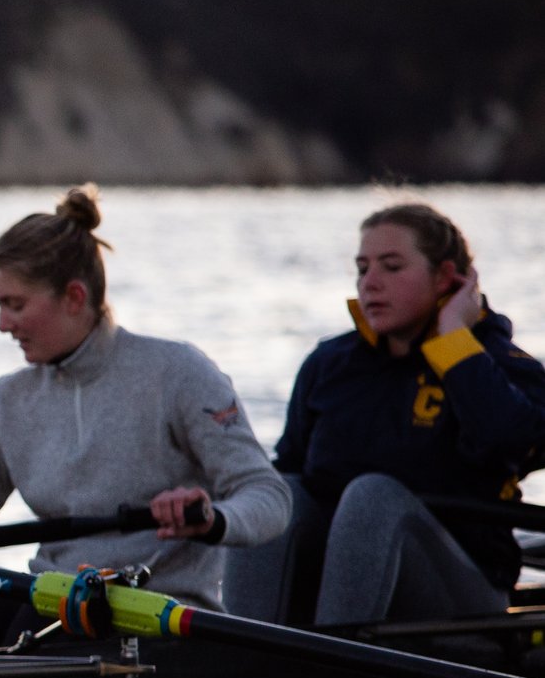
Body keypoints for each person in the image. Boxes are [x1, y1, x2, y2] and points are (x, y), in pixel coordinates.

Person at [0, 186, 288, 649]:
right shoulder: (10, 400)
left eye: (15, 304)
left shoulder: (178, 374)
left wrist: (214, 519)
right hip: (53, 603)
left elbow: (269, 497)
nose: (2, 325)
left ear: (73, 296)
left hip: (153, 617)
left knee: (22, 623)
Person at [225, 204, 545, 629]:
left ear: (446, 277)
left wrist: (453, 341)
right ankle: (243, 657)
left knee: (373, 495)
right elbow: (291, 470)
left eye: (392, 267)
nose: (369, 283)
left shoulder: (499, 365)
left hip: (462, 597)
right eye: (362, 268)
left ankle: (341, 662)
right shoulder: (329, 364)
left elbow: (510, 440)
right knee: (276, 491)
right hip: (336, 586)